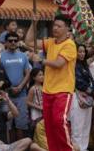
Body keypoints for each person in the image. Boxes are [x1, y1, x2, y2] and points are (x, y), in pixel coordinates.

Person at [25, 15, 77, 151]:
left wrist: (41, 60)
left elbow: (59, 63)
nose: (55, 28)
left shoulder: (70, 45)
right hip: (48, 90)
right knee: (49, 126)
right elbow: (29, 42)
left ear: (67, 28)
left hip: (63, 90)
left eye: (59, 26)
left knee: (59, 121)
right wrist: (33, 24)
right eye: (54, 25)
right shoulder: (51, 42)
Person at [0, 32, 31, 139]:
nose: (13, 42)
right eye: (10, 40)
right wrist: (9, 88)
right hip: (6, 95)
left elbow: (28, 73)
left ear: (18, 42)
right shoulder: (1, 56)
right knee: (8, 125)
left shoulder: (23, 56)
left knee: (21, 124)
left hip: (22, 94)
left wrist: (20, 87)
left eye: (15, 40)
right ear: (6, 42)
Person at [71, 44, 94, 151]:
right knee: (77, 126)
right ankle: (76, 148)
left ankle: (84, 148)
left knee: (86, 125)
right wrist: (92, 91)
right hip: (77, 97)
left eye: (83, 52)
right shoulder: (73, 65)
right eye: (79, 51)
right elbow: (78, 82)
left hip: (88, 98)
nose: (82, 54)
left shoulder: (84, 65)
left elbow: (92, 80)